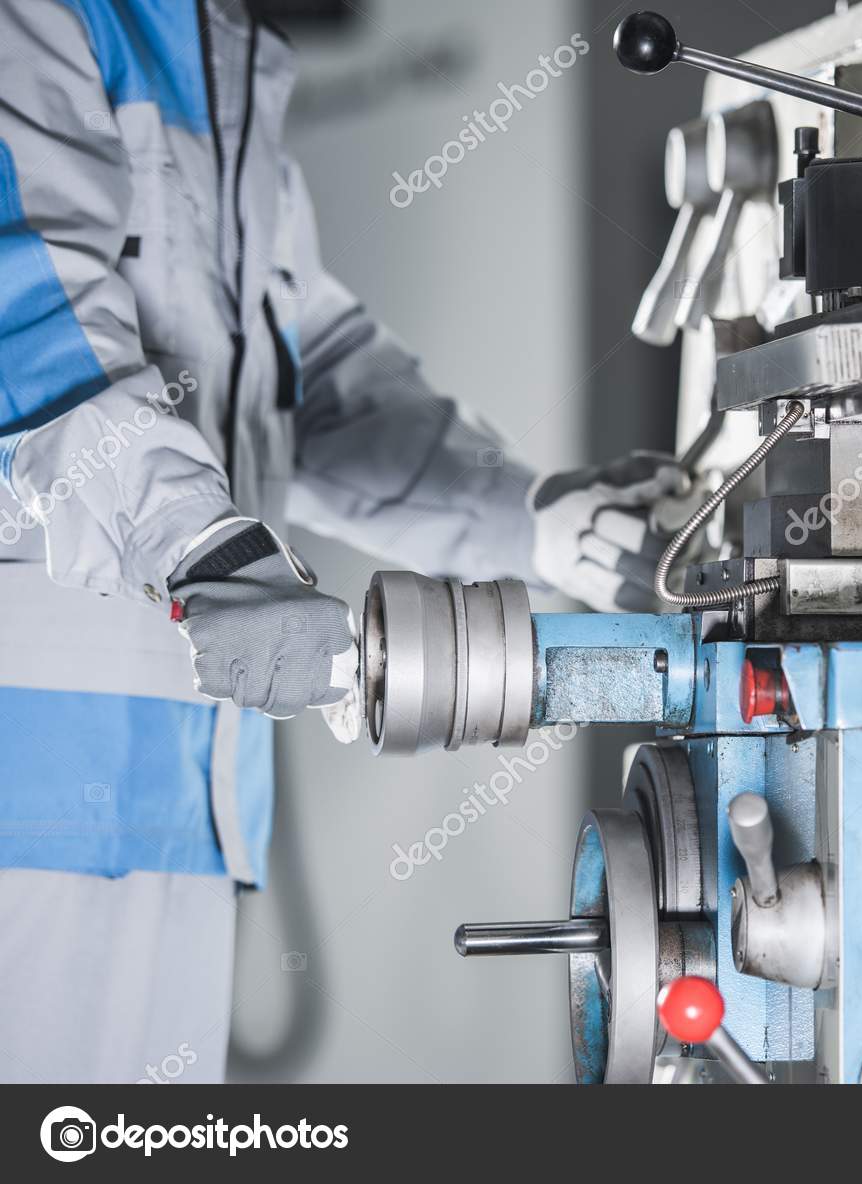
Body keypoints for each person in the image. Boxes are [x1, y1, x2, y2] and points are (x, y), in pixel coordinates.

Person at [0, 0, 681, 1083]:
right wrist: (205, 549)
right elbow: (29, 322)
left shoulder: (224, 59)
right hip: (31, 804)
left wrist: (527, 516)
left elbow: (304, 382)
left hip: (190, 802)